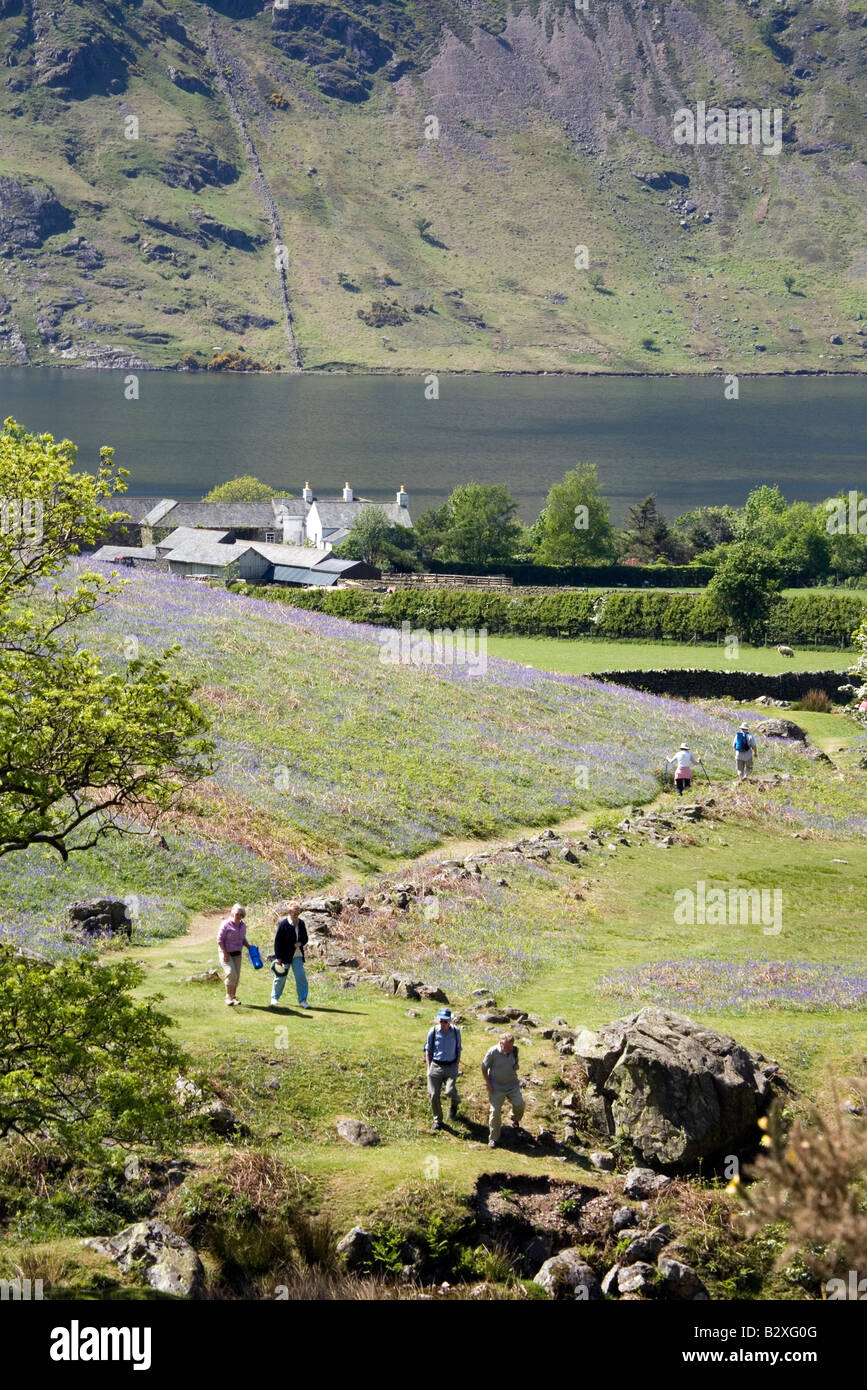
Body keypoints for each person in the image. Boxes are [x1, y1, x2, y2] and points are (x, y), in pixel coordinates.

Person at [481, 1033, 525, 1149]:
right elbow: (484, 1068)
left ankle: (514, 1118)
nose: (510, 1049)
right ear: (501, 1044)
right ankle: (493, 1139)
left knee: (520, 1104)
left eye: (511, 1047)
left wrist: (516, 1066)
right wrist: (488, 1083)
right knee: (495, 1112)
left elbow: (515, 1063)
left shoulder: (514, 1050)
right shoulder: (492, 1052)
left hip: (512, 1085)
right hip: (496, 1087)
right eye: (508, 1047)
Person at [424, 1008, 462, 1131]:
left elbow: (458, 1049)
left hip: (451, 1066)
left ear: (450, 1020)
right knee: (433, 1094)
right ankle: (438, 1120)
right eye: (441, 1021)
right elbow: (428, 1050)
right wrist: (429, 1068)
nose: (443, 1023)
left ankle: (455, 1104)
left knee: (450, 1091)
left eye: (445, 1021)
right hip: (436, 1065)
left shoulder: (456, 1032)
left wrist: (456, 1066)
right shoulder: (433, 1031)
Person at [270, 901, 310, 1010]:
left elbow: (305, 938)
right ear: (289, 912)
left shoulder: (301, 923)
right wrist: (278, 958)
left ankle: (303, 1000)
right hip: (284, 955)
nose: (295, 914)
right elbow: (277, 941)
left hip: (297, 954)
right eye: (293, 912)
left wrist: (300, 943)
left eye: (297, 912)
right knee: (280, 977)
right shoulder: (283, 924)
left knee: (301, 976)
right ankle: (274, 998)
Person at [217, 904, 247, 1007]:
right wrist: (224, 953)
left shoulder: (243, 925)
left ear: (243, 915)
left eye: (240, 914)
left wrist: (249, 946)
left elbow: (243, 939)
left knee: (236, 977)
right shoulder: (226, 924)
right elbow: (219, 940)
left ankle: (233, 997)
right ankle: (228, 997)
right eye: (236, 914)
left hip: (237, 954)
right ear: (232, 913)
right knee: (231, 973)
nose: (238, 916)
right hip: (226, 953)